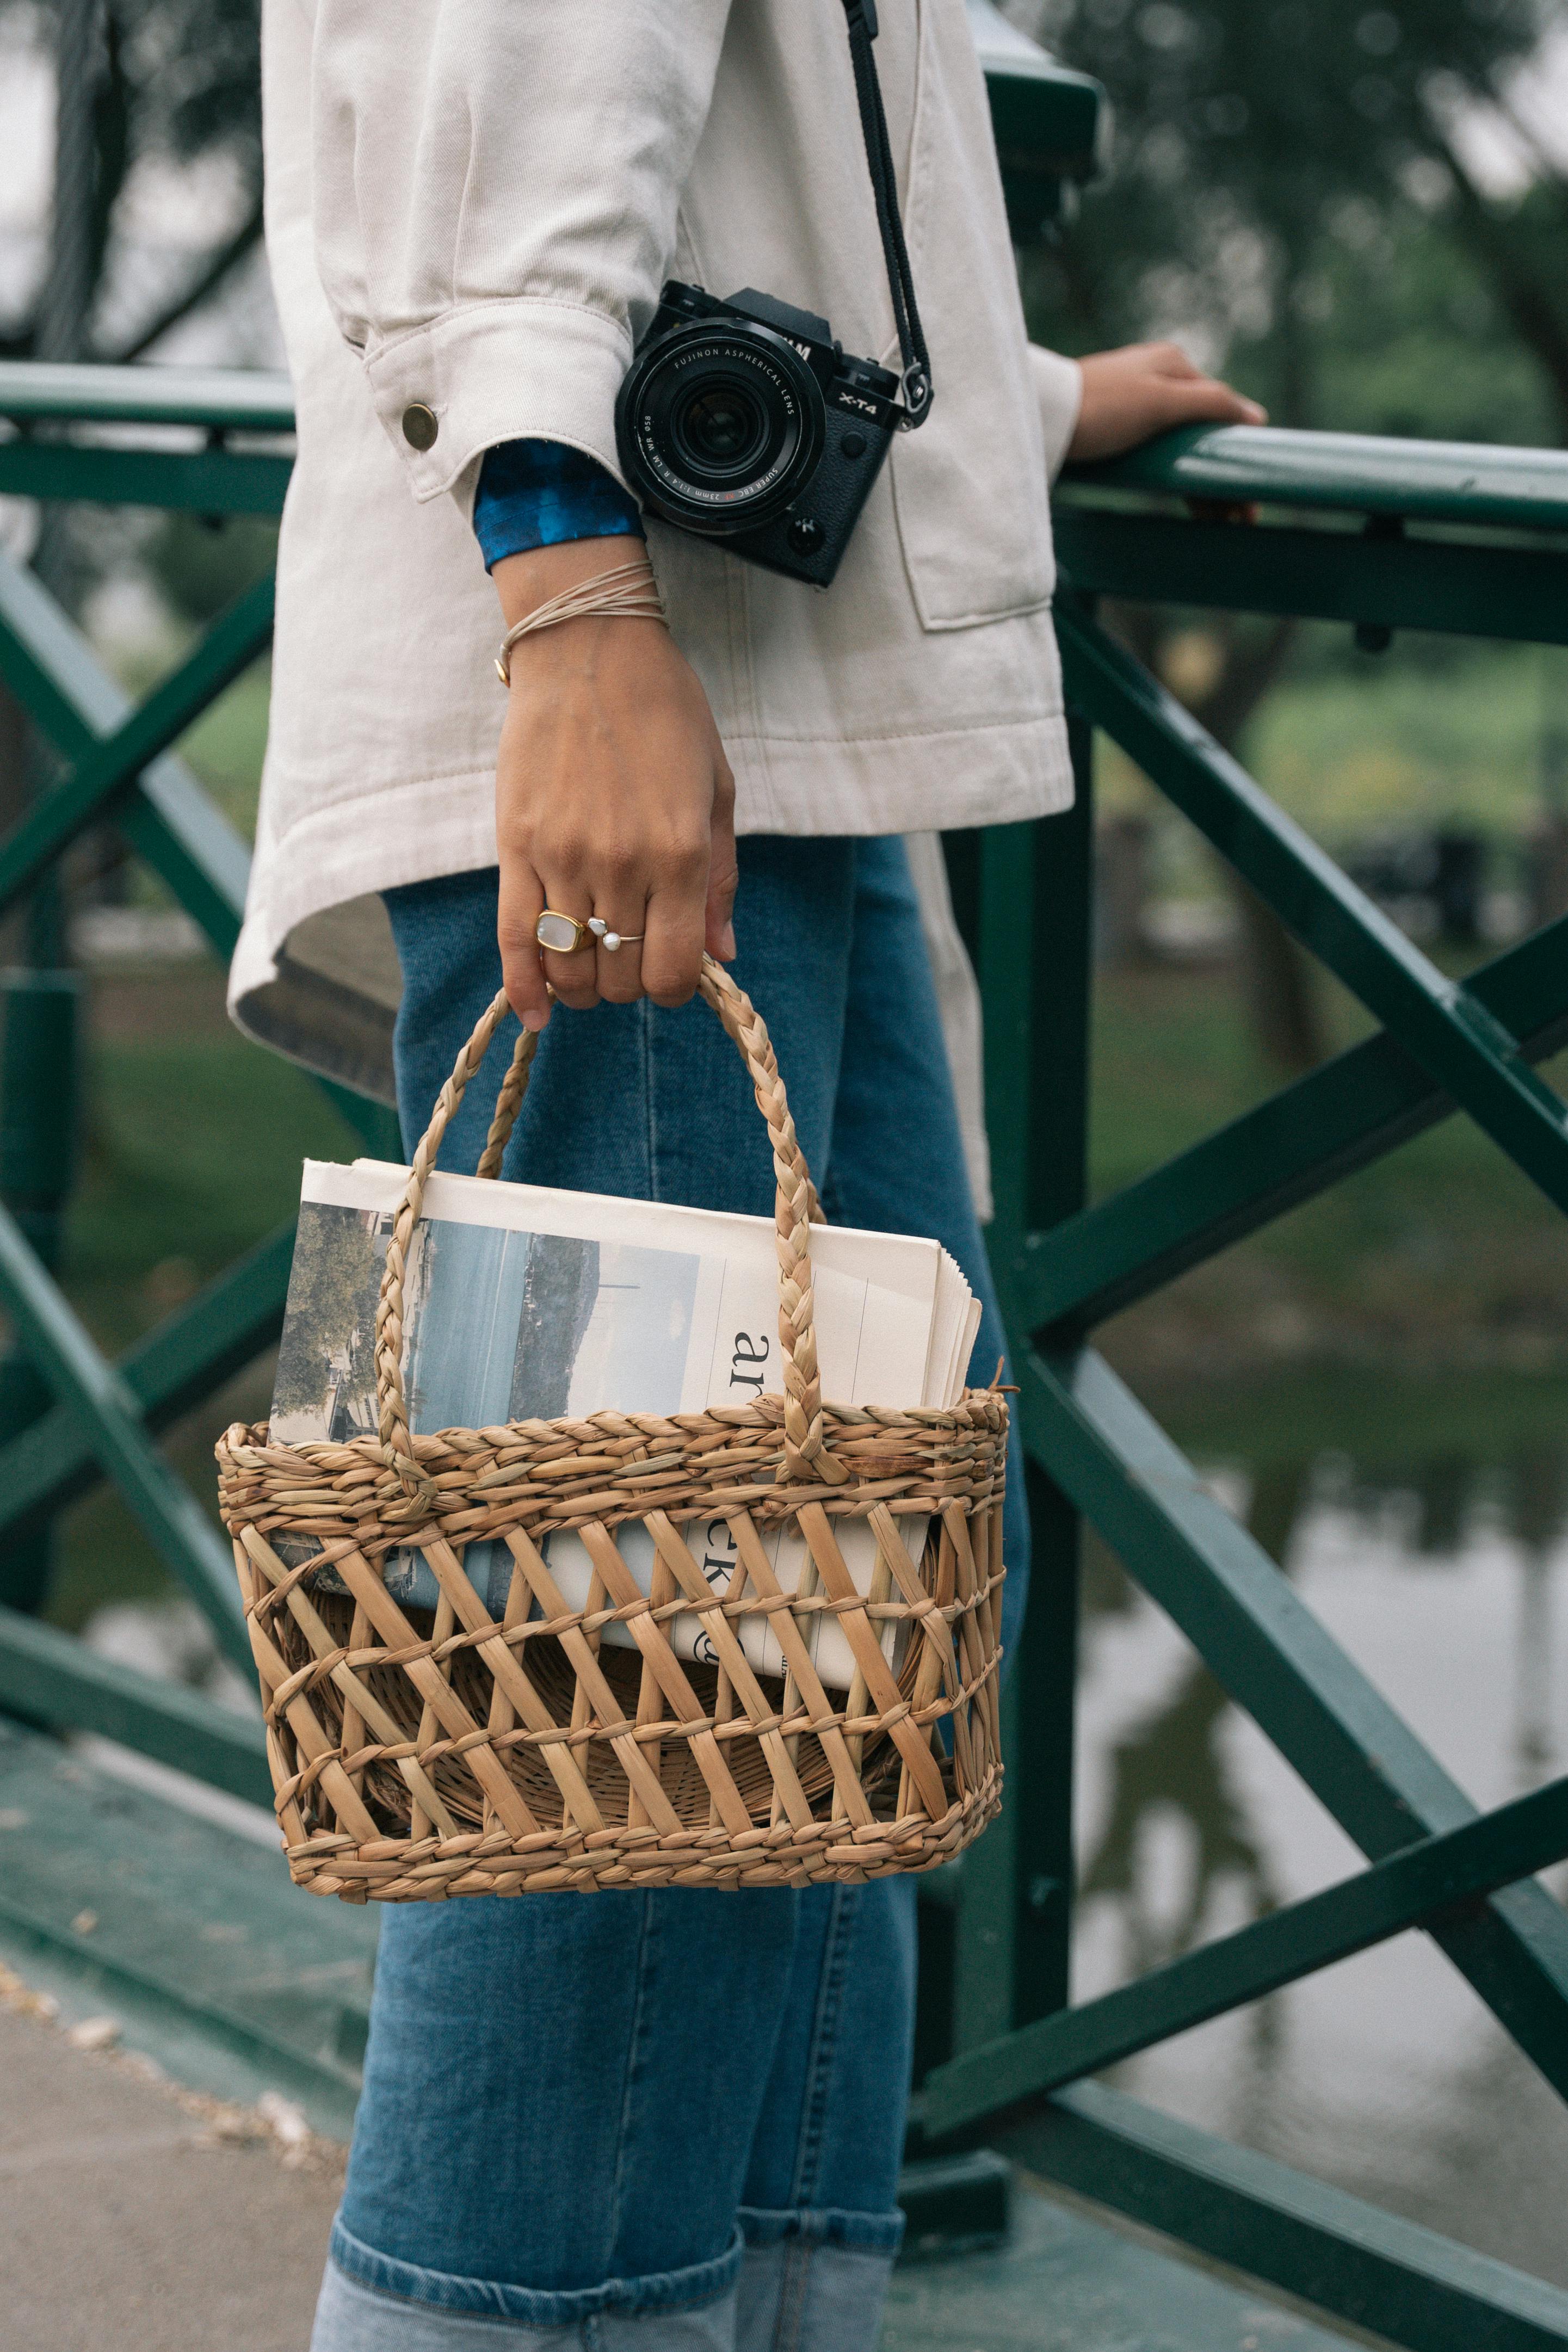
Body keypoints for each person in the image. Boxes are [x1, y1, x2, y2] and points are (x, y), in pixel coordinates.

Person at [232, 5, 1262, 2346]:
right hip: (635, 672)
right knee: (603, 1711)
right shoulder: (589, 606)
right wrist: (562, 577)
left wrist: (1000, 412)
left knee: (826, 1664)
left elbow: (765, 123)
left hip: (757, 695)